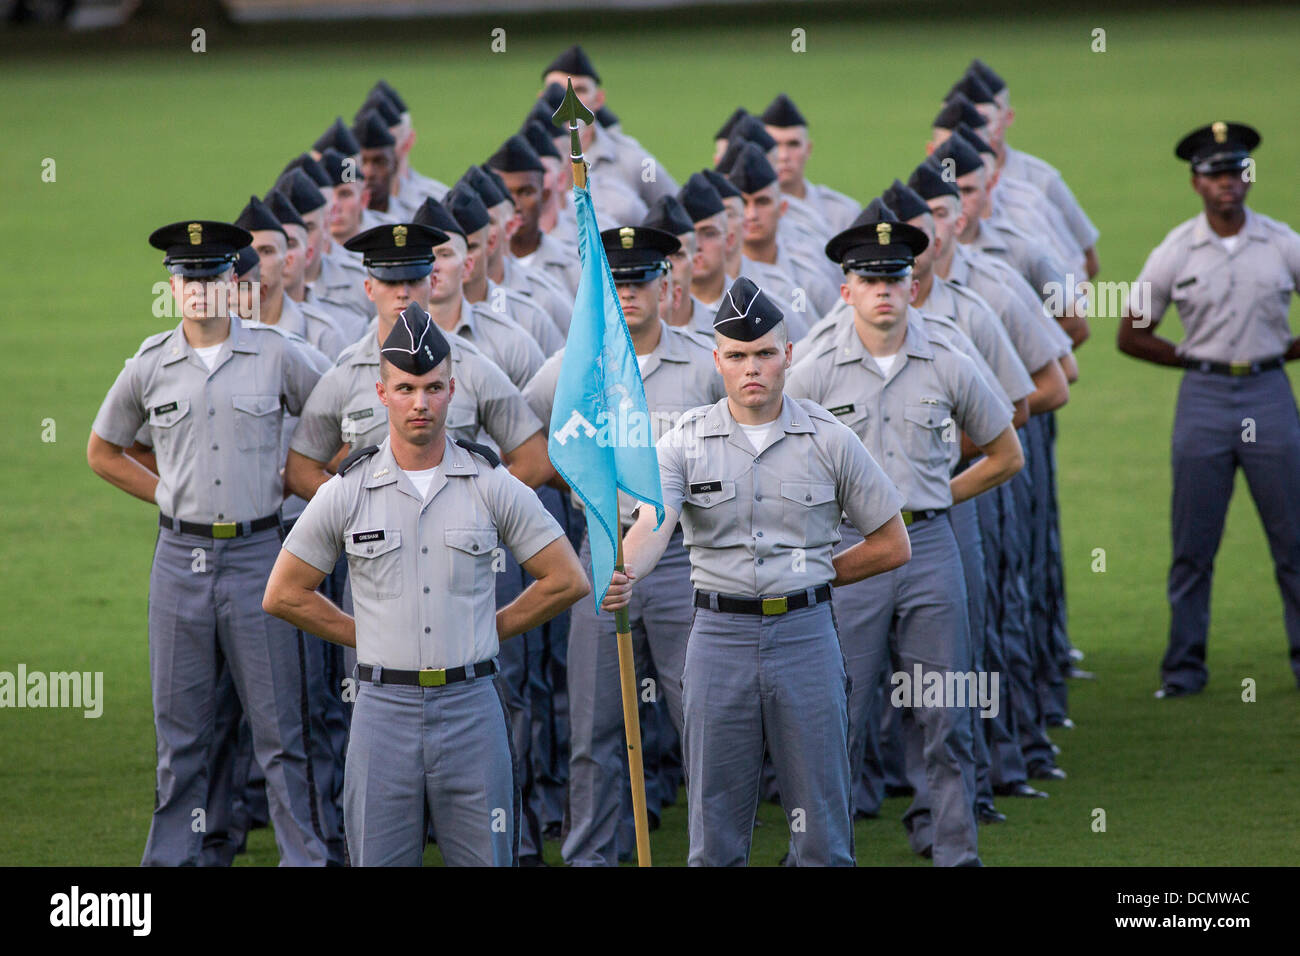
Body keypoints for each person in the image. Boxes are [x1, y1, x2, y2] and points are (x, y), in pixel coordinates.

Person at [264, 301, 589, 866]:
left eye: (434, 388)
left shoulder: (491, 483)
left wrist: (492, 629)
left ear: (453, 390)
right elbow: (284, 592)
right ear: (382, 392)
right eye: (408, 388)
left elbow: (565, 578)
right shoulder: (348, 489)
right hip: (382, 710)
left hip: (472, 708)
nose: (422, 403)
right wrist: (361, 635)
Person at [603, 276, 913, 866]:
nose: (753, 368)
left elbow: (892, 543)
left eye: (766, 353)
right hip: (718, 640)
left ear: (788, 356)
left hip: (806, 637)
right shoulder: (684, 442)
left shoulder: (830, 438)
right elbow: (653, 525)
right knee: (715, 827)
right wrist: (628, 570)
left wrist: (818, 574)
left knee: (821, 824)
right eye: (738, 355)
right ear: (716, 358)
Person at [786, 206, 1024, 866]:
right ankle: (820, 853)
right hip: (850, 553)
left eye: (896, 278)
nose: (885, 291)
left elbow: (1006, 454)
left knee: (945, 712)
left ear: (913, 285)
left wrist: (936, 497)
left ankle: (953, 849)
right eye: (870, 280)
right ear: (847, 290)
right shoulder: (809, 369)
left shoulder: (947, 357)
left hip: (928, 549)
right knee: (838, 714)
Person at [86, 219, 329, 866]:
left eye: (210, 276)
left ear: (233, 283)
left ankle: (305, 857)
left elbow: (337, 411)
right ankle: (172, 860)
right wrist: (163, 495)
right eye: (185, 279)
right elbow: (104, 451)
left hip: (260, 557)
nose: (197, 290)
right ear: (172, 287)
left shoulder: (280, 354)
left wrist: (313, 485)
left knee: (281, 731)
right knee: (183, 732)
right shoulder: (148, 365)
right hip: (179, 563)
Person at [523, 225, 725, 866]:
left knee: (702, 722)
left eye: (641, 280)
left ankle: (715, 850)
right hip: (602, 553)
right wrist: (577, 480)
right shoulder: (572, 368)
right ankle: (590, 856)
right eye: (617, 283)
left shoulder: (703, 362)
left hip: (684, 562)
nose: (629, 294)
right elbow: (533, 444)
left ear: (665, 284)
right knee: (594, 726)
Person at [1118, 121, 1300, 697]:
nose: (1228, 182)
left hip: (1270, 393)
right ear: (1195, 183)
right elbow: (1132, 332)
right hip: (1204, 398)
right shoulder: (1175, 250)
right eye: (1215, 173)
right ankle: (1183, 671)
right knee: (1193, 544)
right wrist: (1194, 362)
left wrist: (1284, 352)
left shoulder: (1281, 243)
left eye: (1236, 170)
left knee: (1293, 539)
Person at [759, 92, 860, 239]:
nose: (783, 156)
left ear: (808, 149)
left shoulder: (842, 213)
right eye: (774, 145)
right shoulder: (745, 215)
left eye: (793, 144)